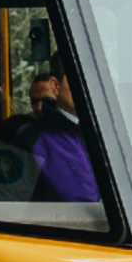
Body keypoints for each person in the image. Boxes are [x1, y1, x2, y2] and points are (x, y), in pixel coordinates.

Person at [31, 59, 99, 203]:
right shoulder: (33, 139)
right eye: (78, 79)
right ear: (55, 86)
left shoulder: (114, 133)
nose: (87, 87)